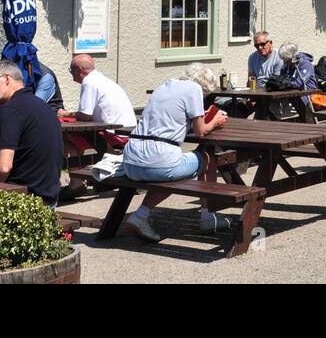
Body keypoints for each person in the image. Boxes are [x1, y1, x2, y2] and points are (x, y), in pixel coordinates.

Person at [121, 66, 228, 242]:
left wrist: (201, 115)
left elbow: (173, 119)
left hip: (131, 160)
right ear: (205, 88)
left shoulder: (165, 86)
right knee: (208, 160)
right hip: (158, 162)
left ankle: (140, 215)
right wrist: (215, 122)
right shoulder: (194, 89)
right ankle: (207, 218)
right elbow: (201, 131)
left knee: (172, 172)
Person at [0, 60, 65, 206]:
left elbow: (3, 167)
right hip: (49, 197)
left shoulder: (11, 110)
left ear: (7, 79)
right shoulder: (42, 106)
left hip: (24, 202)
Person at [67, 54, 136, 127]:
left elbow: (85, 116)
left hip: (113, 133)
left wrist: (66, 114)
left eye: (71, 71)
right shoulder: (101, 79)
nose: (72, 75)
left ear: (79, 70)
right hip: (129, 131)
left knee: (68, 135)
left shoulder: (89, 82)